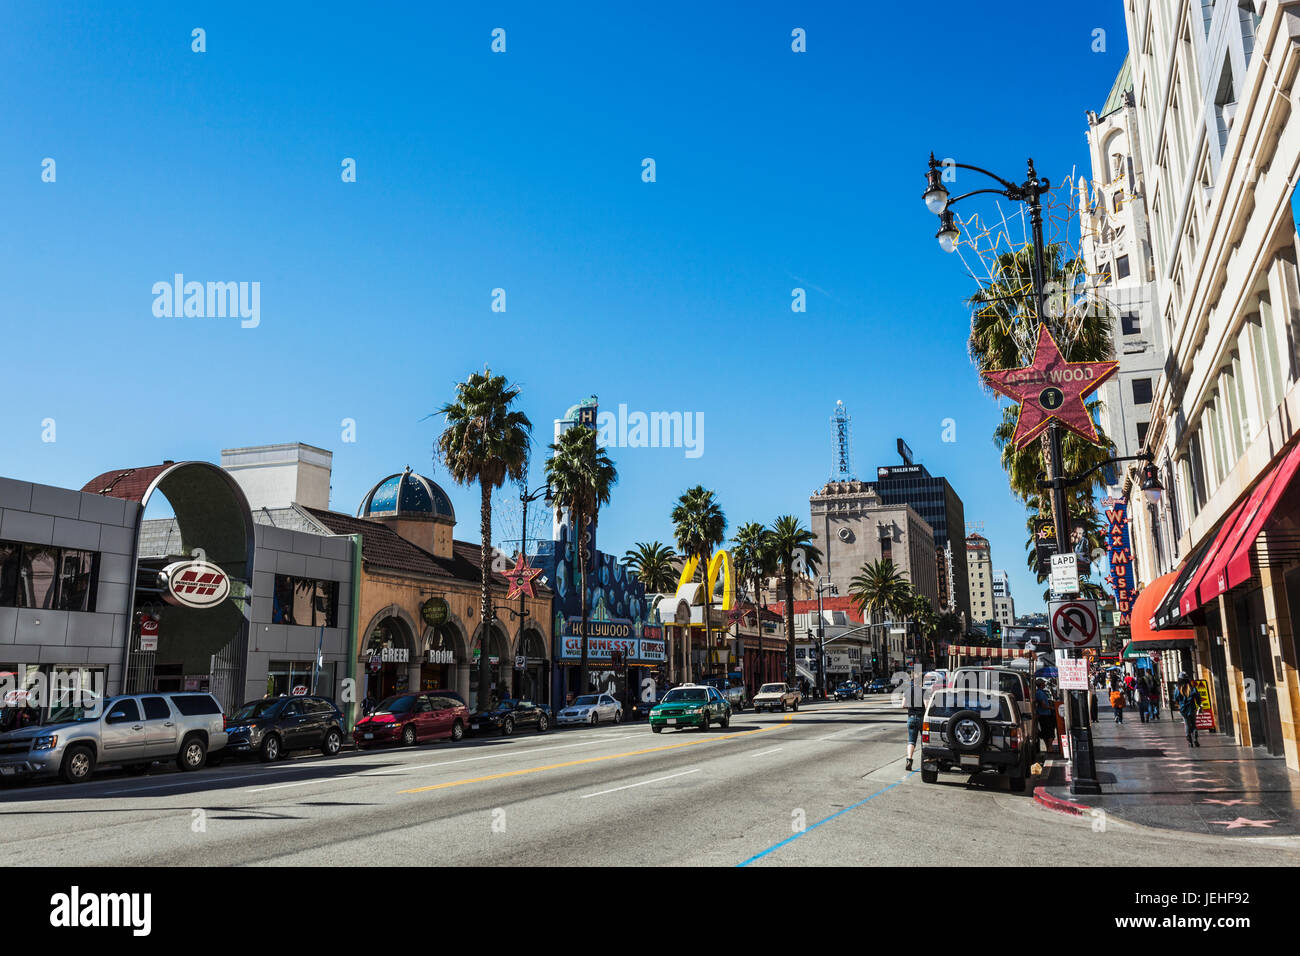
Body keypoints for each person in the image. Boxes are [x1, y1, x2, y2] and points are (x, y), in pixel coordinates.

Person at [901, 677, 926, 772]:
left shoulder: (907, 691)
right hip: (922, 719)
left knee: (911, 741)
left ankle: (909, 760)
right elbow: (927, 705)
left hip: (911, 718)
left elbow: (903, 705)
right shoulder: (924, 692)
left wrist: (911, 707)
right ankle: (925, 760)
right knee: (925, 741)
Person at [1173, 673, 1201, 747]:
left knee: (1187, 724)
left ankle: (1190, 742)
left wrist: (1179, 705)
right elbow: (1198, 697)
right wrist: (1199, 705)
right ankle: (1195, 739)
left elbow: (1175, 699)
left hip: (1183, 709)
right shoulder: (1192, 688)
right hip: (1192, 708)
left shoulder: (1177, 689)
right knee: (1194, 724)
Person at [1034, 678, 1055, 754]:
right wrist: (1052, 708)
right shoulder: (1040, 693)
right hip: (1044, 715)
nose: (1044, 684)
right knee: (1049, 732)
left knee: (1046, 732)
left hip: (1044, 715)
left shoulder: (1041, 692)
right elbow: (1043, 705)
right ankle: (1049, 747)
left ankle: (1048, 748)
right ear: (1041, 684)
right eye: (1043, 683)